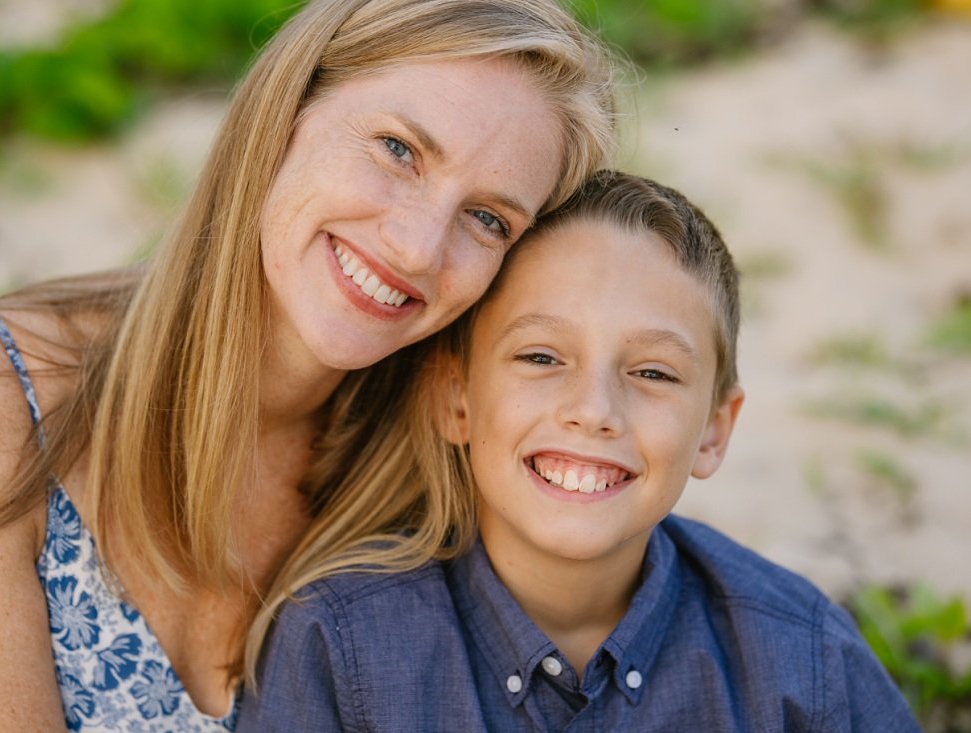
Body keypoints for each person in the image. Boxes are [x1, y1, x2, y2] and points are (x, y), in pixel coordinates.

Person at [0, 0, 618, 729]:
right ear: (286, 109)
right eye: (398, 149)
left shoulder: (455, 481)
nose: (418, 247)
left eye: (488, 220)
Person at [238, 171, 921, 732]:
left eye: (652, 372)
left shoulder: (799, 657)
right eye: (541, 356)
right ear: (456, 398)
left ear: (714, 429)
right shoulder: (341, 644)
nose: (594, 410)